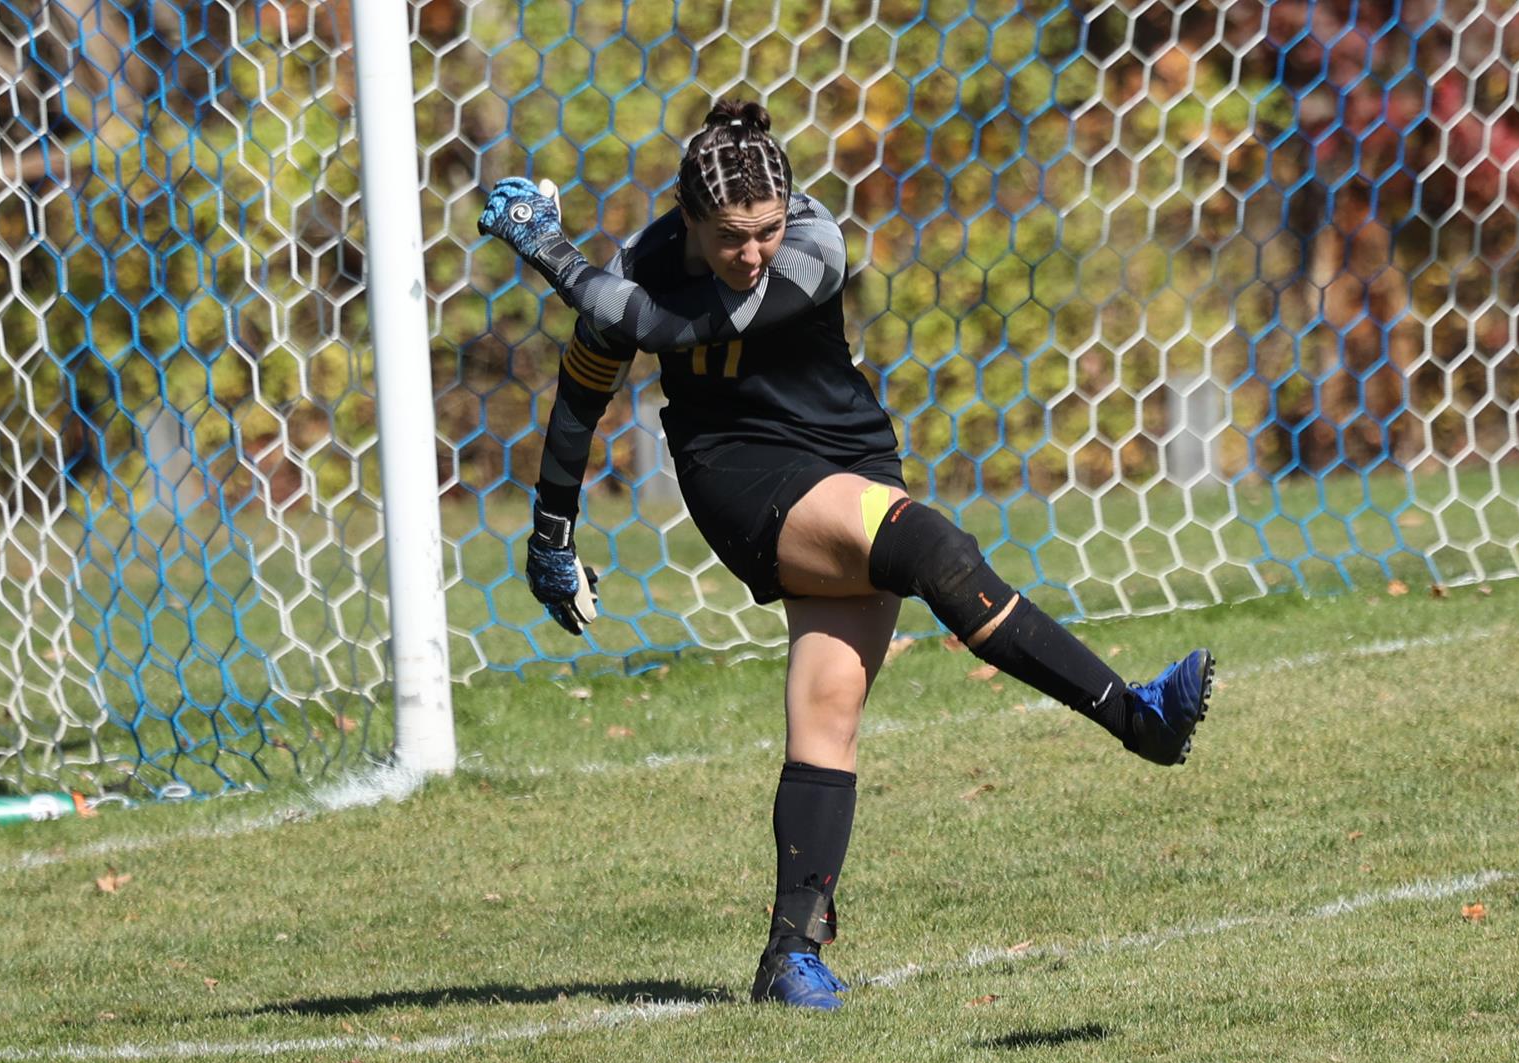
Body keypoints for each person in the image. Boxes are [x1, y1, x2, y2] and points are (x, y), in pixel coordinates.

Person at [477, 97, 1214, 1011]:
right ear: (688, 218)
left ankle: (789, 956)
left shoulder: (814, 240)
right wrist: (551, 534)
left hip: (851, 457)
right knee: (936, 548)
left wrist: (548, 249)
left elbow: (668, 326)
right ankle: (1137, 716)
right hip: (739, 475)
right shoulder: (636, 268)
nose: (754, 252)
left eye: (766, 229)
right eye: (731, 236)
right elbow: (583, 392)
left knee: (828, 708)